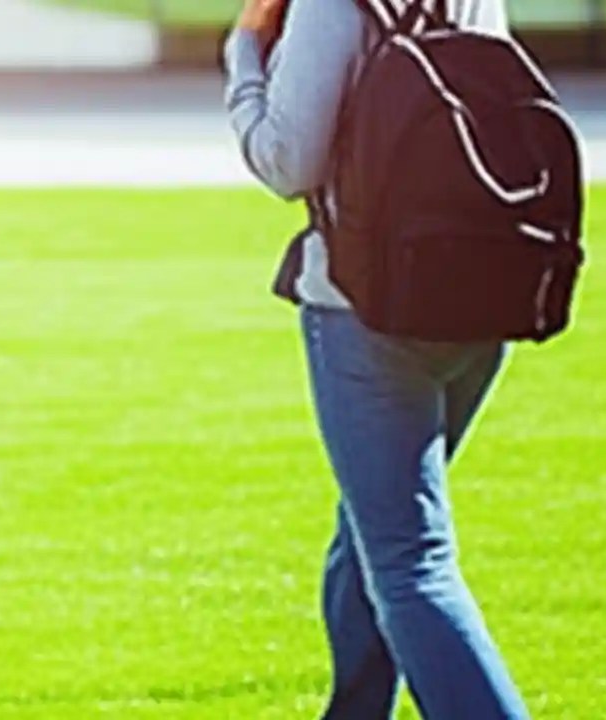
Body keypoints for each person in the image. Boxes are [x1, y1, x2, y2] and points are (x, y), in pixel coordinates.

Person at [223, 0, 531, 718]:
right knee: (368, 535)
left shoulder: (334, 6)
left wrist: (243, 57)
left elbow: (285, 161)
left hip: (368, 313)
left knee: (410, 564)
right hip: (484, 304)